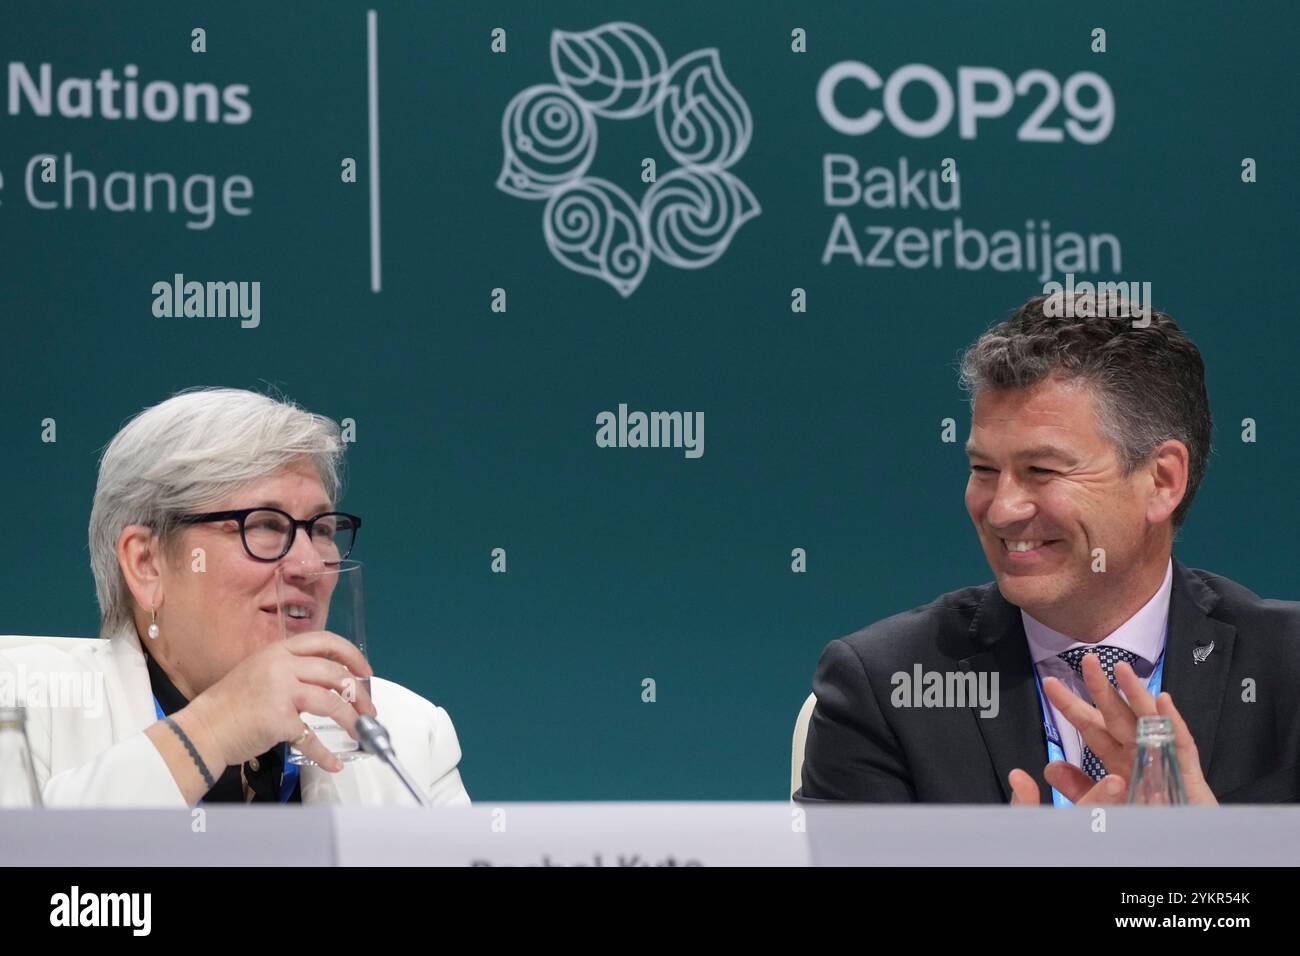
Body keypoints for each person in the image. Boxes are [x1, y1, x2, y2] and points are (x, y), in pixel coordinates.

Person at [797, 293, 1300, 805]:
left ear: (1161, 480)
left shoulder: (1288, 668)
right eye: (984, 470)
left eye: (1042, 471)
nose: (1002, 510)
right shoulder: (885, 687)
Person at [0, 388, 470, 807]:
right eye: (265, 525)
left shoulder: (408, 735)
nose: (310, 565)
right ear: (147, 564)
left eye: (322, 529)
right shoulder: (20, 703)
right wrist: (215, 728)